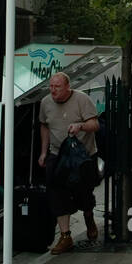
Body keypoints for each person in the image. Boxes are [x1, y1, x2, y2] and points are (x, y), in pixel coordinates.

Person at [37, 73, 100, 254]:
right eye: (51, 86)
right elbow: (44, 126)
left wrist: (80, 126)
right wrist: (44, 152)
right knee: (57, 193)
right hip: (57, 155)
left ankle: (88, 216)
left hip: (82, 157)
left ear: (67, 87)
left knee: (83, 193)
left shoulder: (82, 99)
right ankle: (65, 236)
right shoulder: (45, 103)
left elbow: (95, 124)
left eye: (57, 87)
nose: (53, 90)